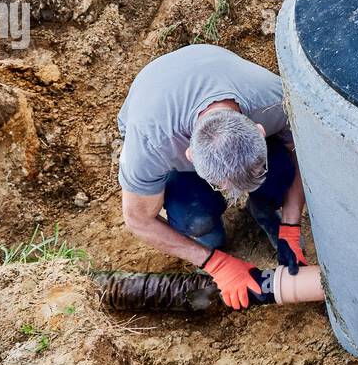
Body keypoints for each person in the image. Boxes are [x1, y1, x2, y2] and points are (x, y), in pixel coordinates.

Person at [117, 44, 307, 309]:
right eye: (222, 186)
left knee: (281, 173)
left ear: (259, 130)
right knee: (196, 220)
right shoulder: (151, 143)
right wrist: (215, 263)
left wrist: (290, 224)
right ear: (190, 156)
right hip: (157, 103)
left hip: (215, 73)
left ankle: (263, 210)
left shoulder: (274, 100)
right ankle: (211, 243)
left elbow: (300, 150)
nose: (233, 195)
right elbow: (137, 220)